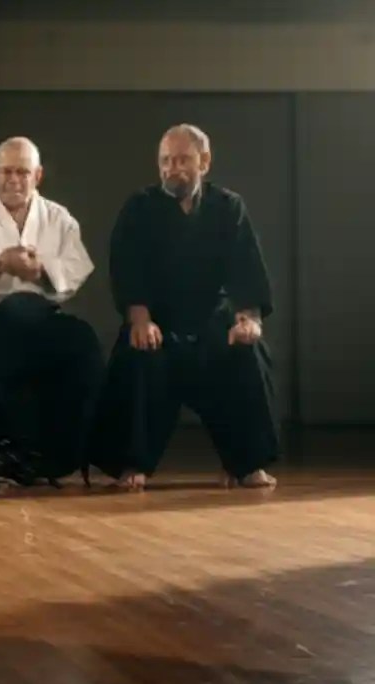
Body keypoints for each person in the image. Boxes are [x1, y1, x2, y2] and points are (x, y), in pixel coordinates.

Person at [89, 124, 279, 490]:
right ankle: (133, 464)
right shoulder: (139, 207)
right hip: (158, 318)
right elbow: (127, 268)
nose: (172, 169)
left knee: (247, 352)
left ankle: (246, 464)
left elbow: (246, 270)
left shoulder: (228, 207)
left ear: (204, 162)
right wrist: (140, 319)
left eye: (182, 160)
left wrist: (249, 319)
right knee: (139, 355)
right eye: (165, 161)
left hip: (214, 321)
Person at [0, 137, 100, 486]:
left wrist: (41, 270)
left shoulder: (58, 217)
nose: (13, 180)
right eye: (6, 171)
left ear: (38, 175)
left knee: (83, 344)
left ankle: (57, 459)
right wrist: (1, 263)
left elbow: (77, 265)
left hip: (40, 317)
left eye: (22, 172)